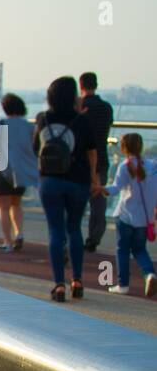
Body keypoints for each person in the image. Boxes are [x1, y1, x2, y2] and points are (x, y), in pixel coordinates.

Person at [34, 75, 102, 302]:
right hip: (78, 181)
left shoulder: (43, 119)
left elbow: (36, 148)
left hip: (50, 181)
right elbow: (92, 152)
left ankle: (59, 284)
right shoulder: (81, 120)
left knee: (55, 231)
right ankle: (78, 280)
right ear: (74, 96)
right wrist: (94, 178)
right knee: (74, 229)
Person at [103, 133, 157, 297]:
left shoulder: (124, 166)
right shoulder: (152, 166)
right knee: (140, 249)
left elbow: (115, 189)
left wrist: (101, 189)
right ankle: (150, 274)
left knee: (122, 250)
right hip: (144, 219)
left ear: (124, 148)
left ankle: (123, 285)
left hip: (125, 215)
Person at [0, 93, 37, 252]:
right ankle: (19, 233)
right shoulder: (30, 126)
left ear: (5, 108)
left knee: (3, 207)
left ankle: (7, 242)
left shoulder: (1, 124)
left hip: (2, 169)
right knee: (16, 203)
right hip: (22, 171)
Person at [80, 72, 115, 251]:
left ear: (81, 85)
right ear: (96, 85)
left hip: (80, 160)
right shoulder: (106, 108)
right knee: (98, 202)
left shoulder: (80, 106)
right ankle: (94, 238)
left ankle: (72, 237)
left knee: (75, 200)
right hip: (101, 158)